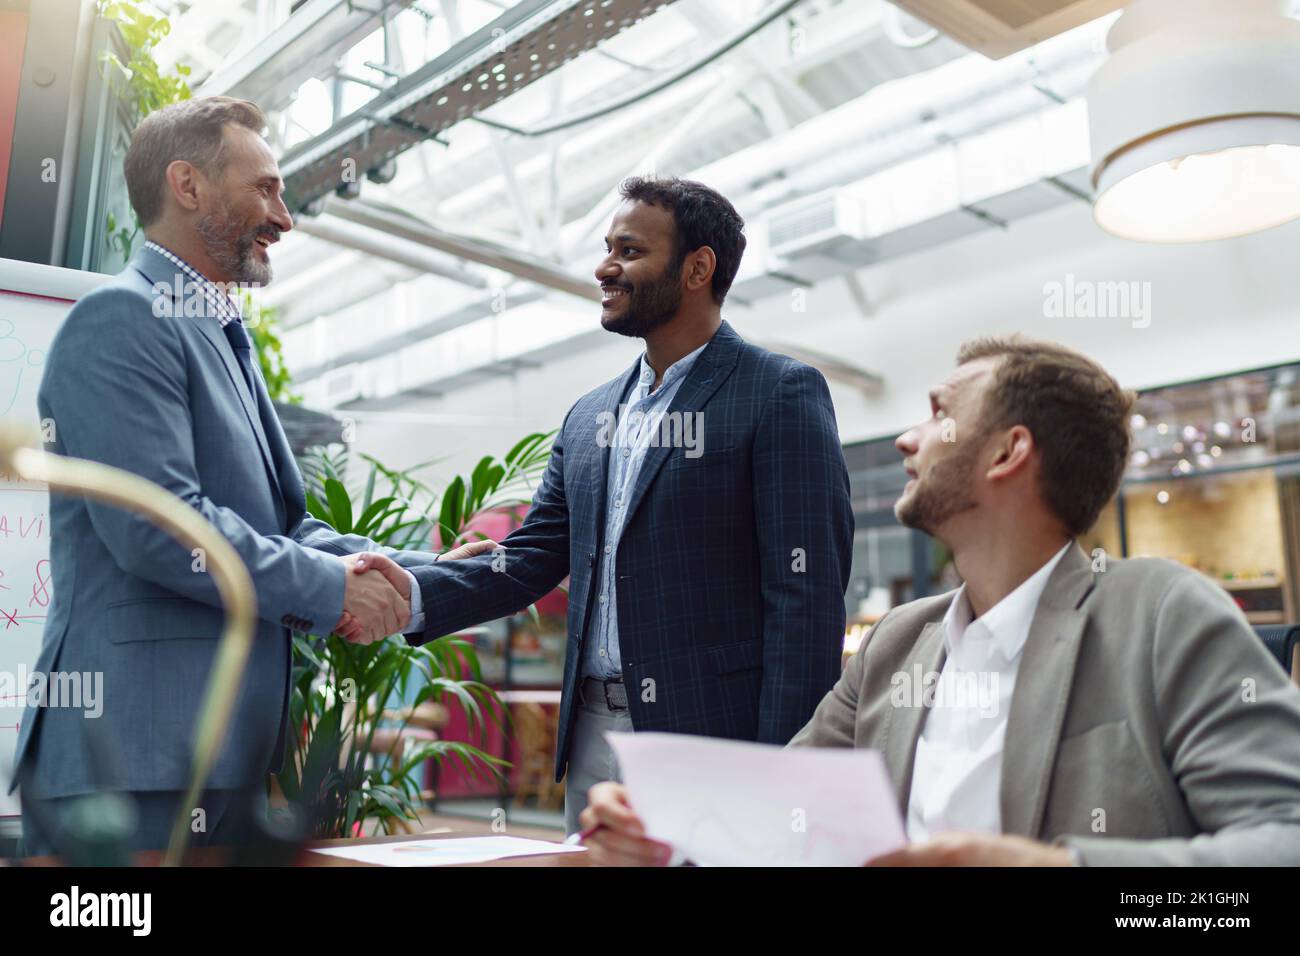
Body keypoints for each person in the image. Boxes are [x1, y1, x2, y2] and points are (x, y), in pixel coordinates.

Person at [578, 336, 1300, 865]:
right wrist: (663, 826)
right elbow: (778, 814)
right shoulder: (896, 644)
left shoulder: (1159, 613)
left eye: (937, 413)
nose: (905, 439)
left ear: (1007, 452)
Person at [12, 96, 488, 856]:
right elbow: (160, 526)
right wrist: (335, 590)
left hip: (207, 755)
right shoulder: (122, 320)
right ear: (187, 185)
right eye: (264, 189)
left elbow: (285, 529)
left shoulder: (214, 332)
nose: (284, 217)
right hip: (132, 755)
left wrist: (420, 570)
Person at [352, 177, 855, 833]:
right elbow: (533, 557)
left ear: (698, 268)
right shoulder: (589, 416)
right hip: (592, 735)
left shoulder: (777, 393)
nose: (604, 268)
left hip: (711, 739)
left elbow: (806, 601)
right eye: (607, 248)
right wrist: (413, 591)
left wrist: (782, 769)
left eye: (629, 251)